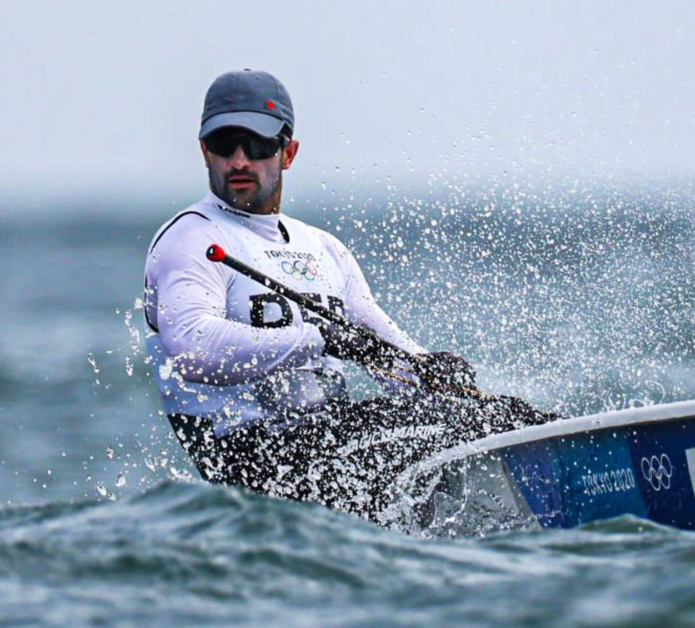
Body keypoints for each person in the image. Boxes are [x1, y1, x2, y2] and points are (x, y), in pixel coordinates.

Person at [143, 70, 553, 522]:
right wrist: (316, 338)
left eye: (257, 146)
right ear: (205, 150)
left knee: (491, 412)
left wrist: (426, 368)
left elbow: (383, 345)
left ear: (289, 151)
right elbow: (192, 349)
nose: (239, 160)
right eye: (225, 145)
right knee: (465, 424)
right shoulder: (192, 241)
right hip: (256, 466)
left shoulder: (323, 249)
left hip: (331, 442)